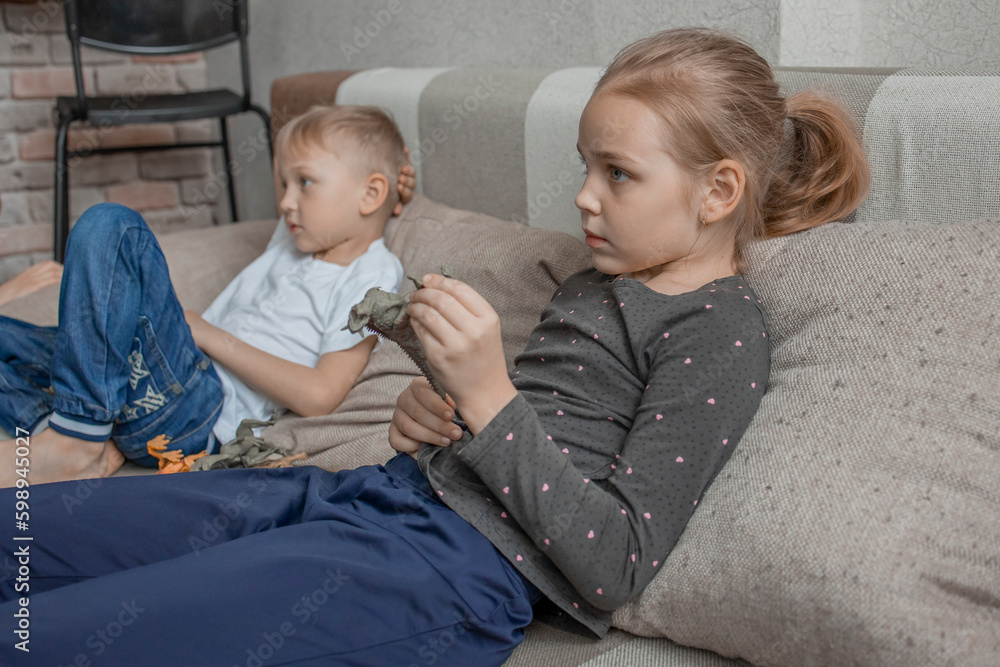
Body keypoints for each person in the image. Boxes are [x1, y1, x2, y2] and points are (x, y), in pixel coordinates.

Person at [0, 28, 868, 665]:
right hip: (375, 493)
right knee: (38, 532)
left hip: (447, 571)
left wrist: (489, 400)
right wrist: (445, 411)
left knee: (56, 636)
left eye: (617, 173)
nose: (583, 198)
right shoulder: (596, 283)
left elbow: (614, 564)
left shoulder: (719, 329)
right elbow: (531, 430)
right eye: (585, 166)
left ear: (719, 190)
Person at [0, 105, 415, 486]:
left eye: (304, 182)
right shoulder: (296, 239)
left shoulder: (370, 272)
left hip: (201, 411)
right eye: (284, 183)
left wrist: (207, 333)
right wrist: (390, 185)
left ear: (371, 195)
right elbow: (350, 183)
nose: (286, 202)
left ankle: (78, 439)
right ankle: (68, 434)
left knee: (111, 225)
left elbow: (321, 395)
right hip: (158, 387)